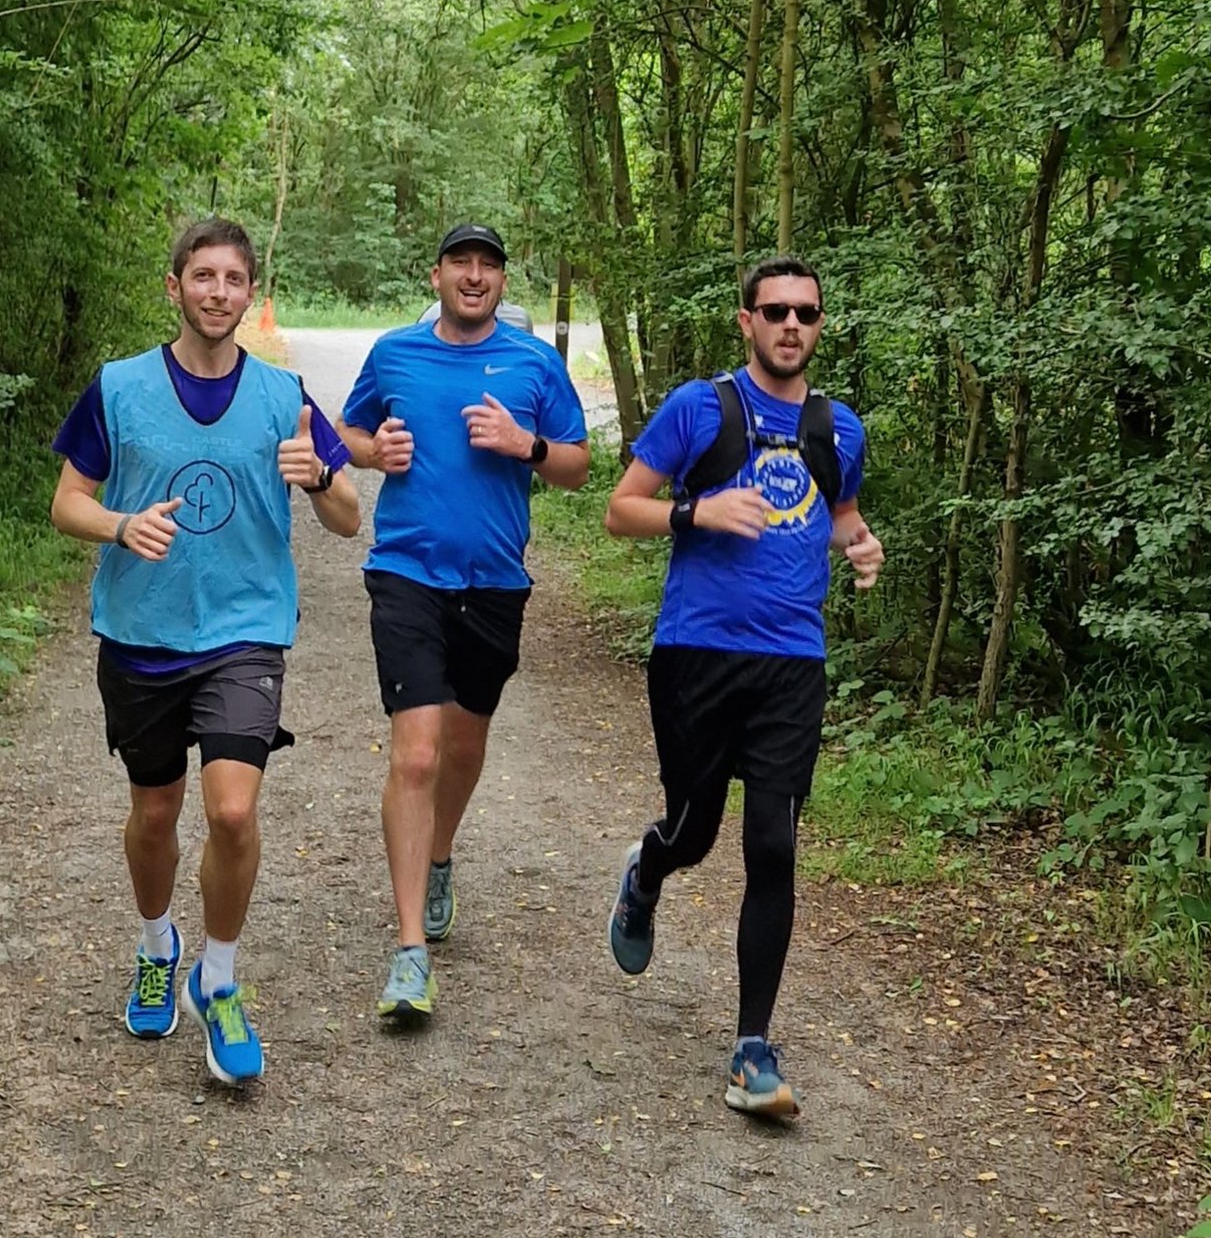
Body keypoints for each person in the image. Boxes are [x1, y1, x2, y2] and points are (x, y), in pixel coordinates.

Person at [49, 218, 359, 1085]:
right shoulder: (119, 388)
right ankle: (159, 944)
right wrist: (119, 522)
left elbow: (349, 520)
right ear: (174, 285)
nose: (218, 292)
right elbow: (66, 502)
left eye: (233, 279)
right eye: (202, 276)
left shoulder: (285, 396)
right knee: (154, 816)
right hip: (143, 634)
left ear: (250, 293)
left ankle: (217, 978)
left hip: (245, 632)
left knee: (230, 812)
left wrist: (323, 476)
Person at [601, 255, 883, 1117]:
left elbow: (836, 516)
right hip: (697, 651)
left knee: (774, 843)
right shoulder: (701, 409)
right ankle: (648, 869)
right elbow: (621, 509)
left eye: (806, 313)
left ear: (820, 325)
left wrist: (861, 547)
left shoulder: (840, 430)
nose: (791, 325)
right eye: (776, 311)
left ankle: (752, 1047)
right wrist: (697, 511)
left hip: (792, 663)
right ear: (747, 321)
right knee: (695, 829)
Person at [338, 223, 591, 1021]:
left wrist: (527, 443)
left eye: (488, 266)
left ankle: (439, 854)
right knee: (415, 753)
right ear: (437, 274)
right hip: (407, 572)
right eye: (461, 264)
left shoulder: (535, 364)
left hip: (494, 583)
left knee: (465, 745)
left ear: (502, 282)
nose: (474, 276)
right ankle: (410, 951)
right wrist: (374, 451)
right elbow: (343, 436)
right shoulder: (394, 354)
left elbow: (579, 467)